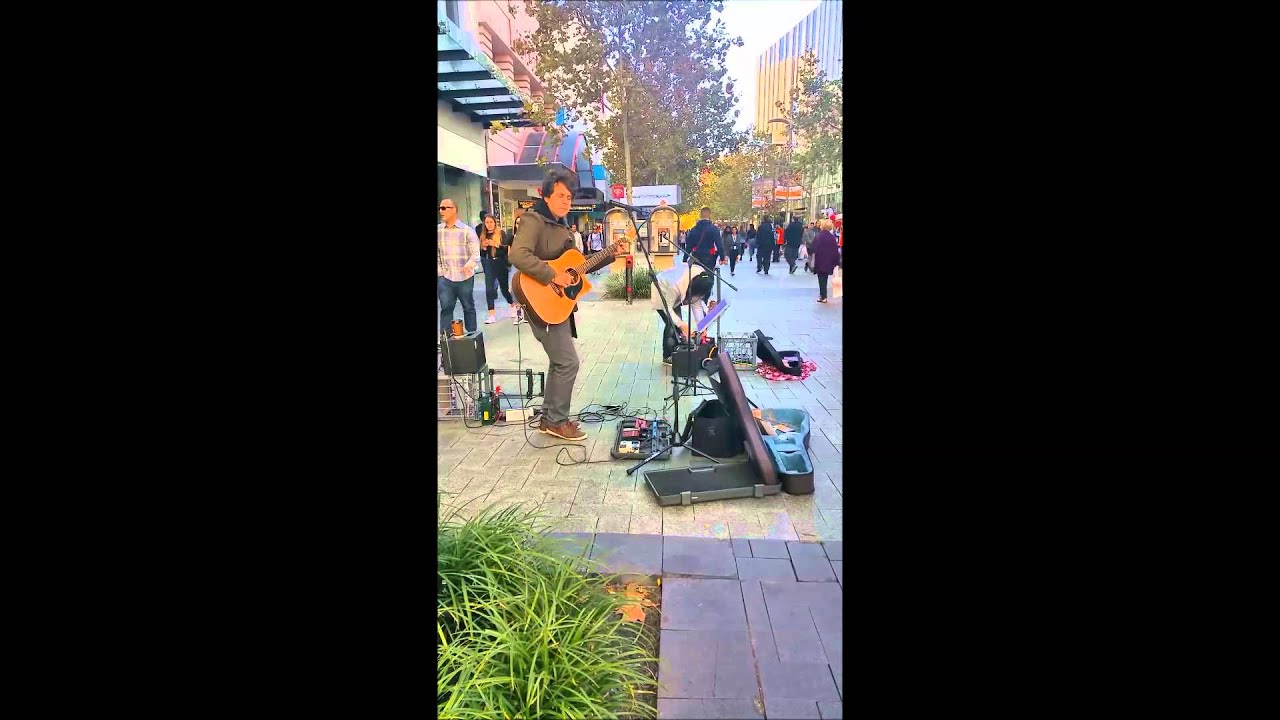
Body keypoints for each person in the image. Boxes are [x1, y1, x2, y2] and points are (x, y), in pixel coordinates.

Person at [509, 168, 628, 441]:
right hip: (539, 300)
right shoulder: (534, 220)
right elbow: (517, 254)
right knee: (568, 363)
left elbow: (578, 265)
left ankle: (549, 418)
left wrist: (611, 254)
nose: (566, 201)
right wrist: (552, 275)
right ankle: (557, 421)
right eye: (561, 195)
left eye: (569, 197)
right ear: (547, 196)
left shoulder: (561, 226)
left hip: (557, 304)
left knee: (558, 362)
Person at [653, 264, 717, 363]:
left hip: (675, 294)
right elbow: (668, 309)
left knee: (677, 324)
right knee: (672, 325)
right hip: (661, 289)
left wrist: (702, 326)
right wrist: (682, 325)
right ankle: (667, 356)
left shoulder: (701, 279)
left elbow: (696, 304)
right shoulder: (677, 285)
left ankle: (677, 353)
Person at [437, 197, 480, 335]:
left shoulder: (467, 231)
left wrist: (470, 264)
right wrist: (440, 273)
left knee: (468, 307)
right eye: (440, 208)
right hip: (446, 279)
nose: (441, 211)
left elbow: (475, 254)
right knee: (446, 308)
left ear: (454, 210)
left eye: (444, 208)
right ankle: (445, 340)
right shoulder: (438, 230)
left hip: (465, 278)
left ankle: (472, 337)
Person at [478, 215, 517, 325]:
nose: (489, 224)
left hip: (500, 263)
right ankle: (491, 314)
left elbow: (505, 250)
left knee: (504, 289)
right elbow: (482, 254)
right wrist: (484, 247)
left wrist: (495, 245)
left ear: (495, 223)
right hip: (489, 263)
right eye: (487, 222)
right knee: (489, 289)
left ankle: (512, 305)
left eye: (491, 222)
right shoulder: (483, 235)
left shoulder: (501, 234)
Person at [811, 218, 841, 303]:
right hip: (829, 262)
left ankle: (823, 296)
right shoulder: (832, 238)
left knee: (821, 279)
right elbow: (835, 250)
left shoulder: (818, 236)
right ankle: (823, 295)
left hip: (820, 261)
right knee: (825, 277)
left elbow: (813, 248)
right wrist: (837, 262)